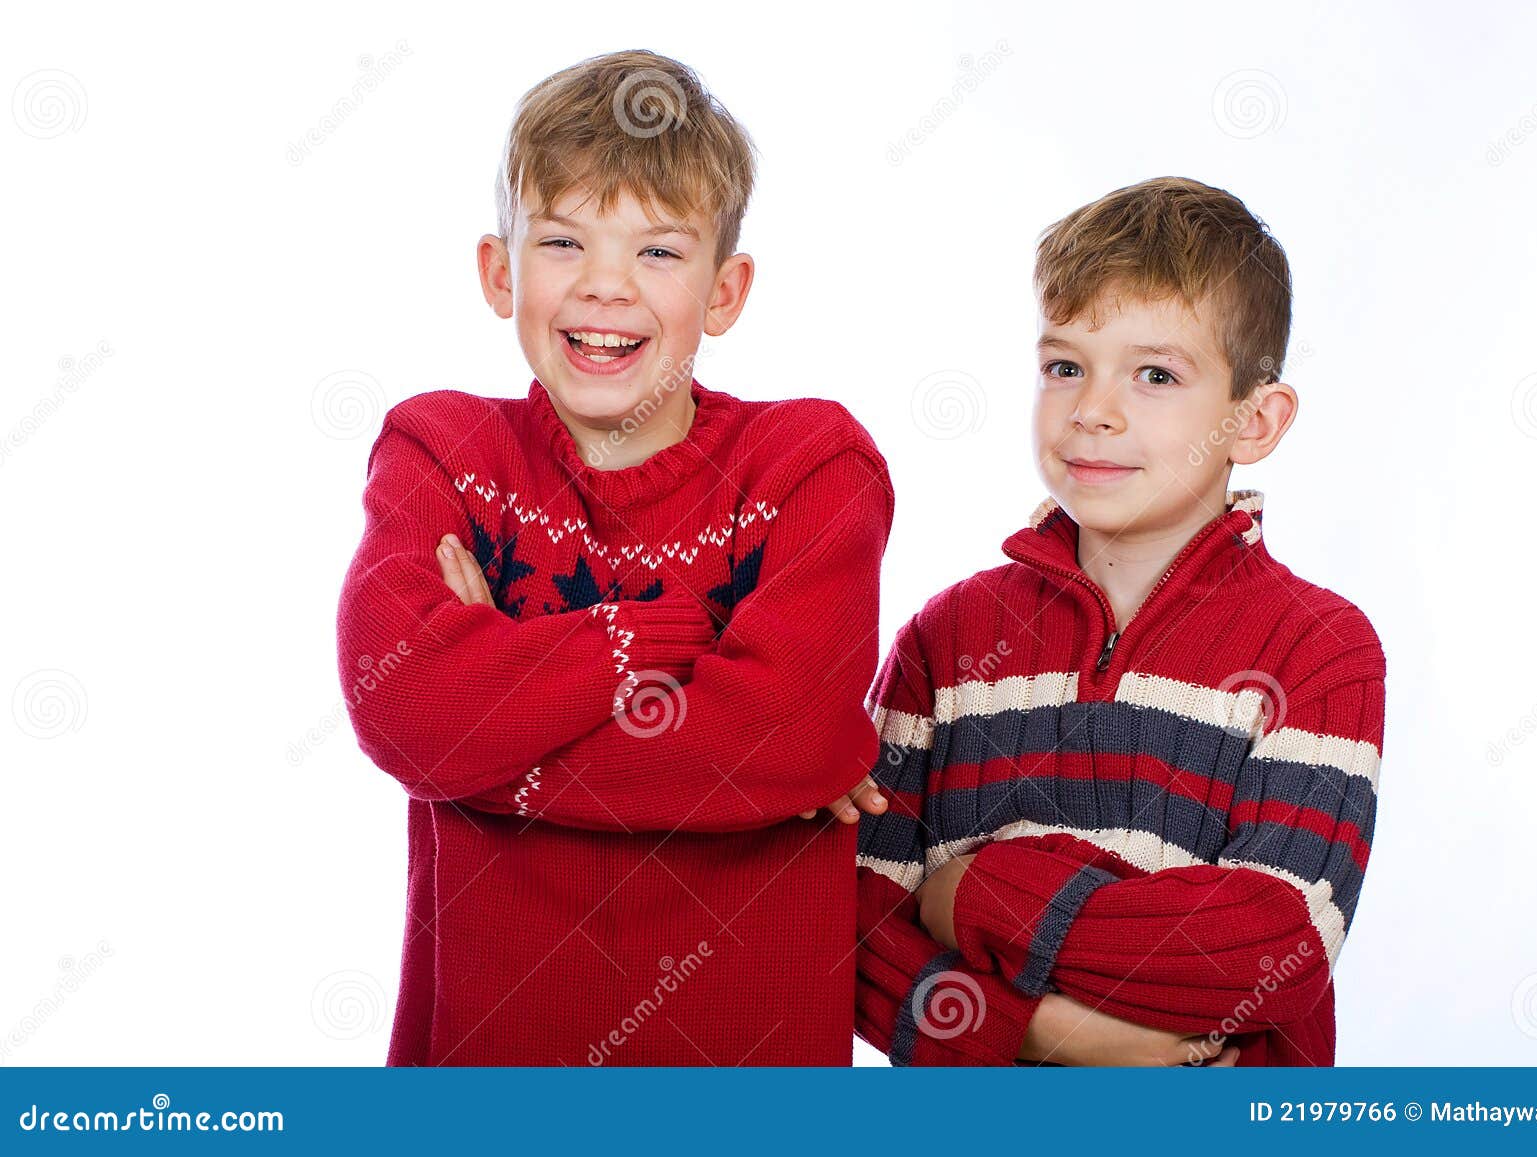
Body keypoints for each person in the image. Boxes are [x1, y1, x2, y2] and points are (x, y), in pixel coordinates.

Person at [336, 49, 888, 1065]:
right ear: (500, 273)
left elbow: (783, 739)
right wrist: (664, 637)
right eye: (561, 241)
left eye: (658, 253)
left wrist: (488, 719)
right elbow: (407, 710)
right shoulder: (441, 452)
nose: (603, 286)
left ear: (725, 291)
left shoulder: (812, 465)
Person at [854, 176, 1386, 1066]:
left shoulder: (1320, 648)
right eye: (1065, 365)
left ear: (1254, 420)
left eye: (1154, 374)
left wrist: (976, 891)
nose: (1091, 409)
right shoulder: (945, 639)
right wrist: (1057, 1032)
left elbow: (1271, 944)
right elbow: (858, 929)